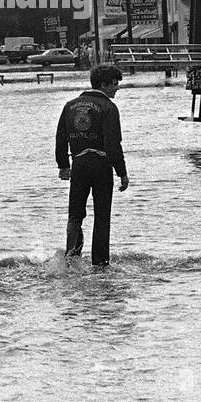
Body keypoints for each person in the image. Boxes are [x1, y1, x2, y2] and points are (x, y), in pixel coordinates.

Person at [55, 63, 130, 268]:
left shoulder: (70, 106)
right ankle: (100, 263)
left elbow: (61, 138)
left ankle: (71, 258)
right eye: (114, 84)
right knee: (102, 215)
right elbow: (113, 144)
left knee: (75, 213)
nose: (117, 88)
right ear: (104, 84)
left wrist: (63, 165)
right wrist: (122, 173)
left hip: (78, 163)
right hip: (101, 164)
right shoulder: (109, 108)